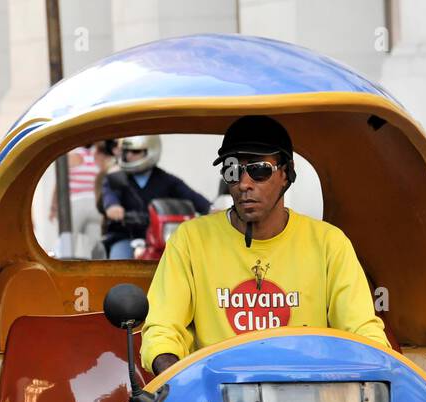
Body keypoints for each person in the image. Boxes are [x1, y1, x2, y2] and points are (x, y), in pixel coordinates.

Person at [141, 116, 388, 375]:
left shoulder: (329, 244)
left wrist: (383, 368)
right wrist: (174, 376)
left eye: (259, 170)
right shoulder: (190, 239)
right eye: (233, 170)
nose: (244, 184)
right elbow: (162, 329)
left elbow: (360, 330)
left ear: (286, 174)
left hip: (309, 397)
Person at [101, 135, 210, 259]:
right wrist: (112, 206)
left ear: (152, 150)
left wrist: (212, 210)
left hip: (160, 239)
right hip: (125, 236)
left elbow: (194, 198)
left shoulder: (168, 180)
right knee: (118, 265)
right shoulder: (115, 178)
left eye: (135, 151)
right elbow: (109, 196)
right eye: (126, 151)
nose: (129, 155)